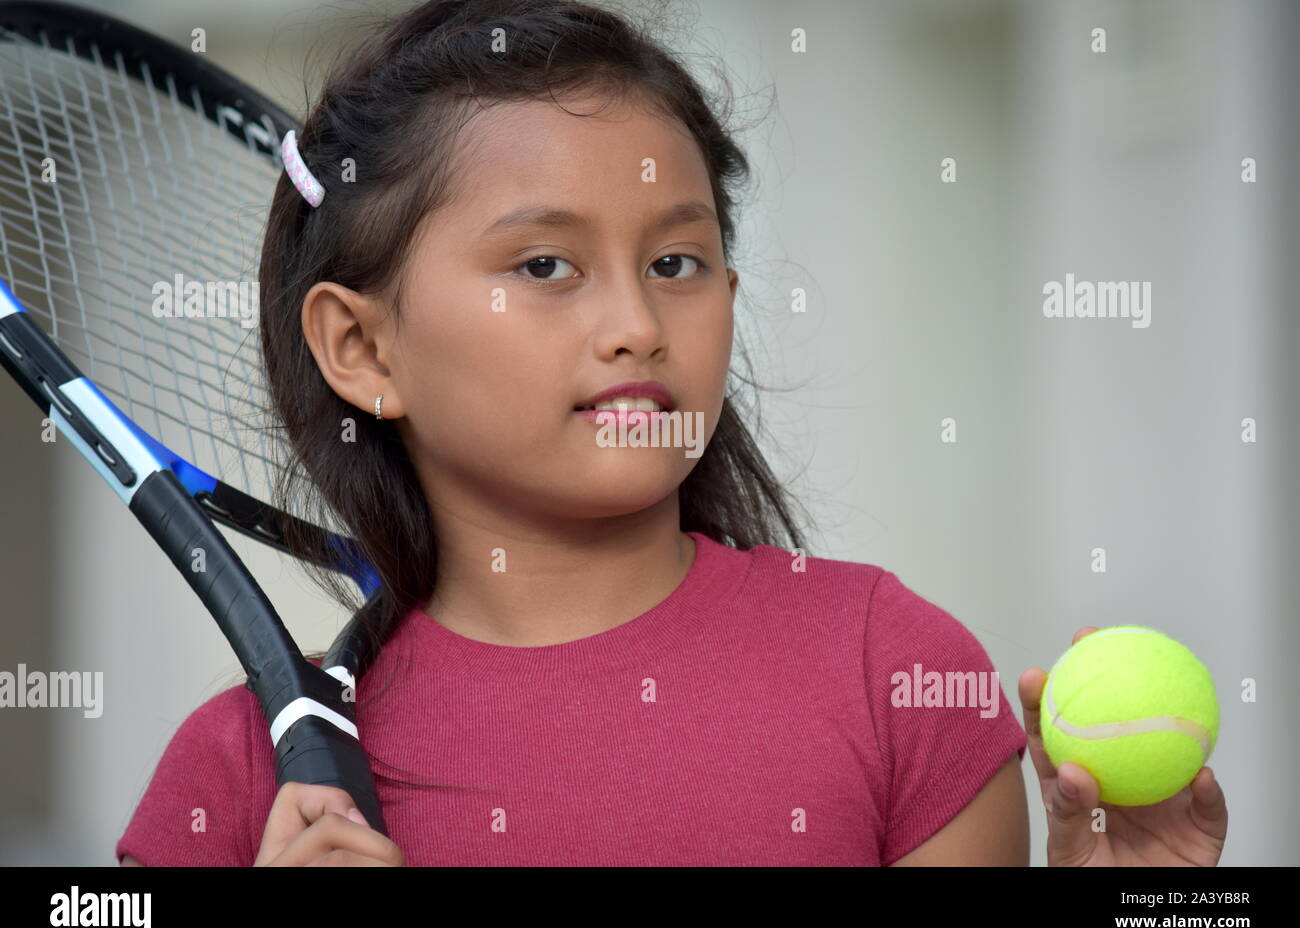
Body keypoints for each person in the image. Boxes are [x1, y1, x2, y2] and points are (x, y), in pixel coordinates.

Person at [118, 0, 1226, 866]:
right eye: (544, 266)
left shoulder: (898, 672)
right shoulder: (234, 778)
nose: (638, 325)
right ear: (361, 349)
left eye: (675, 263)